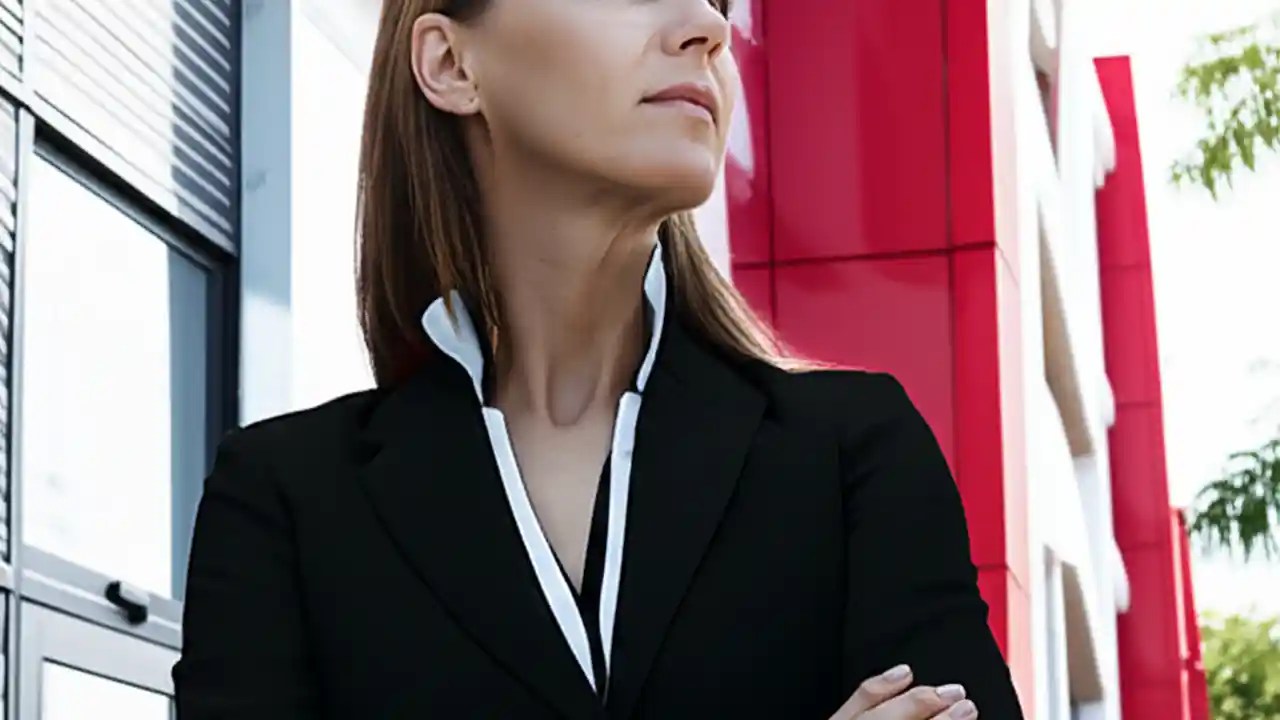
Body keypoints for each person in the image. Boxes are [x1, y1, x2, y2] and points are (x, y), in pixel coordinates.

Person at [173, 1, 1025, 718]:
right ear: (450, 63)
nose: (705, 26)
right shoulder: (282, 501)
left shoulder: (857, 453)